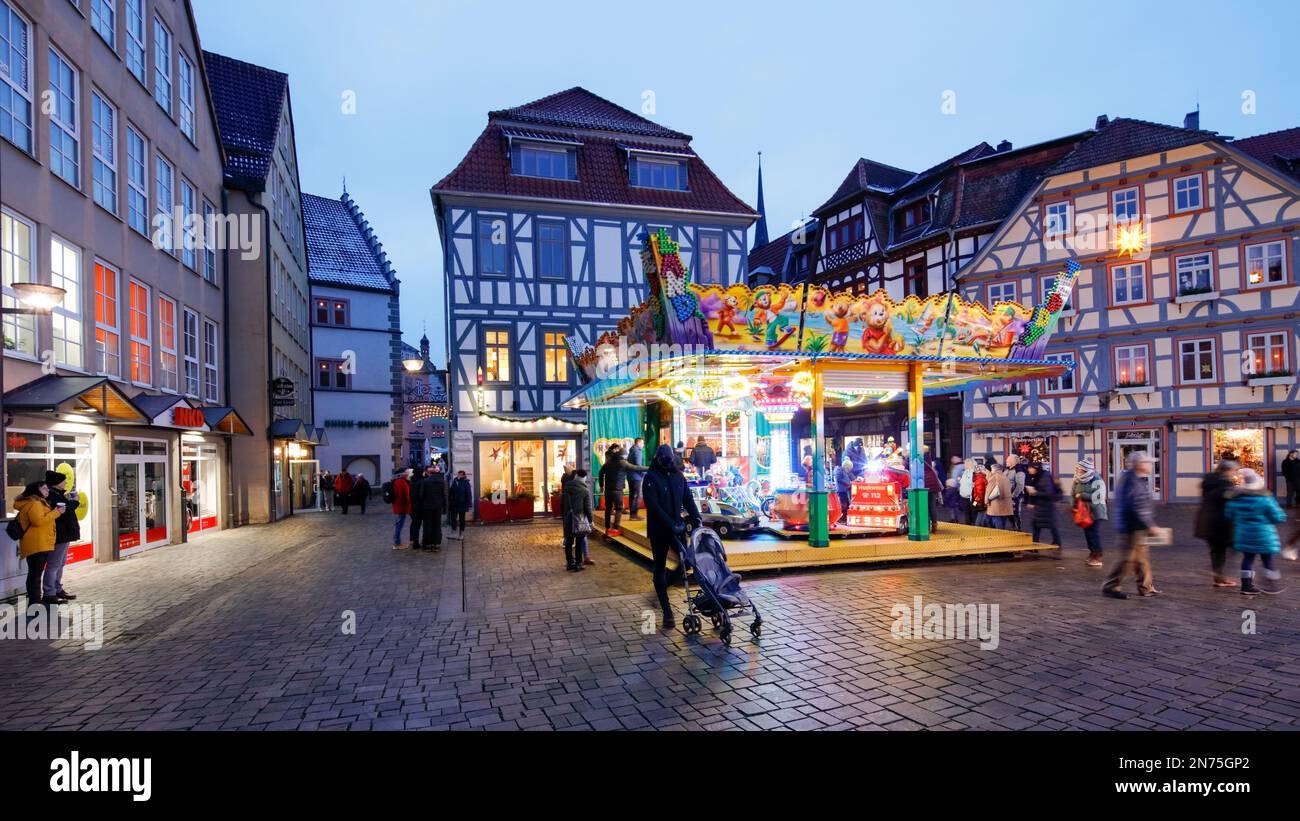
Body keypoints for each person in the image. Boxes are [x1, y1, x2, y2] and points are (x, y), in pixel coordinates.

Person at [640, 444, 701, 631]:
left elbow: (688, 499)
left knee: (687, 562)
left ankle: (663, 585)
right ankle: (667, 612)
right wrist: (671, 524)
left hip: (677, 529)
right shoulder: (650, 478)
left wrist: (697, 517)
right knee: (659, 566)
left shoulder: (677, 476)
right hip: (660, 531)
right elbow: (653, 505)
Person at [1103, 452, 1161, 599]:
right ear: (1140, 464)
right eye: (1147, 462)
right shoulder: (1131, 481)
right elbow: (1136, 506)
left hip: (1136, 526)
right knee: (1126, 558)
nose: (1150, 465)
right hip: (1131, 527)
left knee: (1141, 558)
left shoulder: (1134, 479)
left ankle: (1146, 587)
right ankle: (1110, 586)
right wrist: (1149, 524)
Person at [1227, 468, 1287, 595]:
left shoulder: (1236, 499)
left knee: (1248, 558)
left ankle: (1246, 586)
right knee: (1267, 559)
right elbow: (1279, 517)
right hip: (1263, 535)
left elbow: (1229, 515)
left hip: (1244, 535)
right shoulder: (1265, 499)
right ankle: (1271, 585)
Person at [14, 481, 62, 609]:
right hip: (37, 544)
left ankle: (35, 600)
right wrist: (56, 512)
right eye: (44, 488)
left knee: (35, 574)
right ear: (36, 490)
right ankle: (34, 602)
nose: (47, 490)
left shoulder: (36, 502)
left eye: (47, 487)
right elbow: (38, 521)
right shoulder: (35, 503)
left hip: (38, 543)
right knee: (35, 575)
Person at [1195, 459, 1239, 587]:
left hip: (1207, 520)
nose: (1234, 473)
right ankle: (1215, 573)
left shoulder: (1209, 481)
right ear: (1227, 470)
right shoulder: (1224, 485)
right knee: (1233, 547)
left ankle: (1218, 578)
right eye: (1234, 471)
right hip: (1221, 523)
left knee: (1216, 550)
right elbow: (1230, 501)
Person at [44, 471, 80, 603]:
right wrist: (75, 502)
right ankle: (49, 592)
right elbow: (65, 511)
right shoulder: (53, 495)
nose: (65, 482)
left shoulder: (58, 494)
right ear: (57, 482)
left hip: (64, 534)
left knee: (60, 563)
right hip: (59, 535)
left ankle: (57, 589)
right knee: (54, 564)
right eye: (63, 480)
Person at [1071, 458, 1108, 567]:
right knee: (1088, 533)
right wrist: (1073, 505)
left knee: (1093, 533)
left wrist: (1082, 495)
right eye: (1077, 468)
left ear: (1085, 470)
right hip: (1083, 511)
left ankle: (1097, 555)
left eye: (1079, 469)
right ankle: (1092, 553)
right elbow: (1073, 493)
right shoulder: (1077, 479)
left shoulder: (1097, 480)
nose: (1077, 470)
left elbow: (1099, 497)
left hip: (1095, 510)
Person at [561, 468, 594, 571]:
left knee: (569, 542)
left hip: (568, 518)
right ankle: (579, 563)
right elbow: (588, 508)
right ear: (584, 478)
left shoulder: (566, 488)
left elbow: (562, 504)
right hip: (579, 519)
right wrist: (591, 520)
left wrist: (564, 516)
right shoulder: (585, 490)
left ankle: (570, 563)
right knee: (579, 541)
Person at [1025, 462, 1062, 548]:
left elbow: (1048, 493)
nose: (1028, 470)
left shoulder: (1044, 477)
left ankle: (1056, 542)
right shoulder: (1037, 477)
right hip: (1041, 506)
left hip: (1046, 507)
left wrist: (1035, 492)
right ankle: (1035, 544)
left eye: (1030, 468)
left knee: (1050, 525)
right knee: (1037, 525)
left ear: (1035, 469)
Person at [419, 466, 448, 551]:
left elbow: (421, 495)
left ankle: (428, 544)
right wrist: (445, 507)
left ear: (430, 473)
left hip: (427, 506)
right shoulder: (442, 482)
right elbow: (445, 495)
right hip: (438, 506)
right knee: (437, 525)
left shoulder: (425, 481)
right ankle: (436, 544)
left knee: (427, 525)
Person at [983, 463, 1013, 530]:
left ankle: (998, 537)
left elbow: (988, 491)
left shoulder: (994, 477)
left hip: (996, 503)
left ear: (994, 469)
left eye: (991, 469)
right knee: (1002, 521)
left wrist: (986, 501)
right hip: (1006, 504)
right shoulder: (1005, 477)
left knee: (996, 521)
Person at [390, 469, 413, 550]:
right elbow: (404, 495)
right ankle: (397, 544)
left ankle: (397, 542)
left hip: (399, 506)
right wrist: (409, 503)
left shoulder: (398, 481)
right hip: (401, 507)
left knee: (398, 525)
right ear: (403, 474)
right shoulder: (401, 482)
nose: (409, 474)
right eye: (407, 472)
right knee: (399, 525)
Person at [448, 469, 472, 538]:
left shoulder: (466, 482)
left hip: (462, 503)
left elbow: (468, 493)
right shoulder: (454, 481)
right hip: (454, 503)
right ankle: (454, 530)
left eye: (461, 474)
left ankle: (461, 532)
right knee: (453, 518)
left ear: (464, 475)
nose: (459, 475)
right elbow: (451, 491)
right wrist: (450, 500)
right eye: (459, 474)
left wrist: (469, 504)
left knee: (462, 519)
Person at [923, 453, 944, 533]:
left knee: (924, 507)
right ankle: (934, 525)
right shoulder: (930, 467)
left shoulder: (920, 468)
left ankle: (926, 527)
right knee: (932, 506)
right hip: (933, 488)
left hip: (924, 488)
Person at [1006, 454, 1027, 530]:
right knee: (1008, 512)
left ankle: (1017, 528)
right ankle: (1013, 526)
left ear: (1012, 461)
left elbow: (1020, 485)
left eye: (1008, 460)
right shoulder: (1007, 469)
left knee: (1015, 512)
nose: (1006, 461)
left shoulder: (1019, 470)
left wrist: (1013, 495)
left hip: (1015, 496)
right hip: (1007, 495)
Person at [627, 438, 645, 520]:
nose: (643, 445)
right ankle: (634, 515)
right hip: (636, 477)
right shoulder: (637, 451)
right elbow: (638, 465)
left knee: (632, 496)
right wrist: (644, 473)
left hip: (630, 476)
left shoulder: (631, 450)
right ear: (639, 443)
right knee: (637, 496)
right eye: (643, 443)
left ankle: (632, 514)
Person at [834, 459, 854, 525]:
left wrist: (856, 479)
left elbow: (851, 476)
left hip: (844, 491)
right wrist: (849, 483)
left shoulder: (845, 471)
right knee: (843, 505)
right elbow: (839, 479)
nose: (849, 470)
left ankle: (844, 518)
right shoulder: (839, 470)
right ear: (846, 467)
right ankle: (840, 519)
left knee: (847, 505)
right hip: (841, 490)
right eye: (848, 469)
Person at [958, 458, 977, 524]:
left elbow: (975, 485)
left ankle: (975, 528)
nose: (964, 465)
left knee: (973, 513)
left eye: (965, 463)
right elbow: (962, 483)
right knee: (966, 513)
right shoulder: (965, 472)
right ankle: (968, 526)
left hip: (972, 498)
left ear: (969, 464)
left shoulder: (974, 473)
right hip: (964, 497)